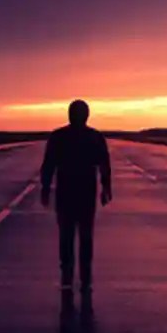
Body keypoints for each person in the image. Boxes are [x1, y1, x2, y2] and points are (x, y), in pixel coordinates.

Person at [40, 99, 112, 292]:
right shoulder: (95, 137)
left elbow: (48, 165)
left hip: (68, 192)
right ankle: (83, 276)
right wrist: (106, 188)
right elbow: (104, 165)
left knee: (68, 235)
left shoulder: (58, 137)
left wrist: (45, 189)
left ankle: (68, 275)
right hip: (84, 192)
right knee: (84, 236)